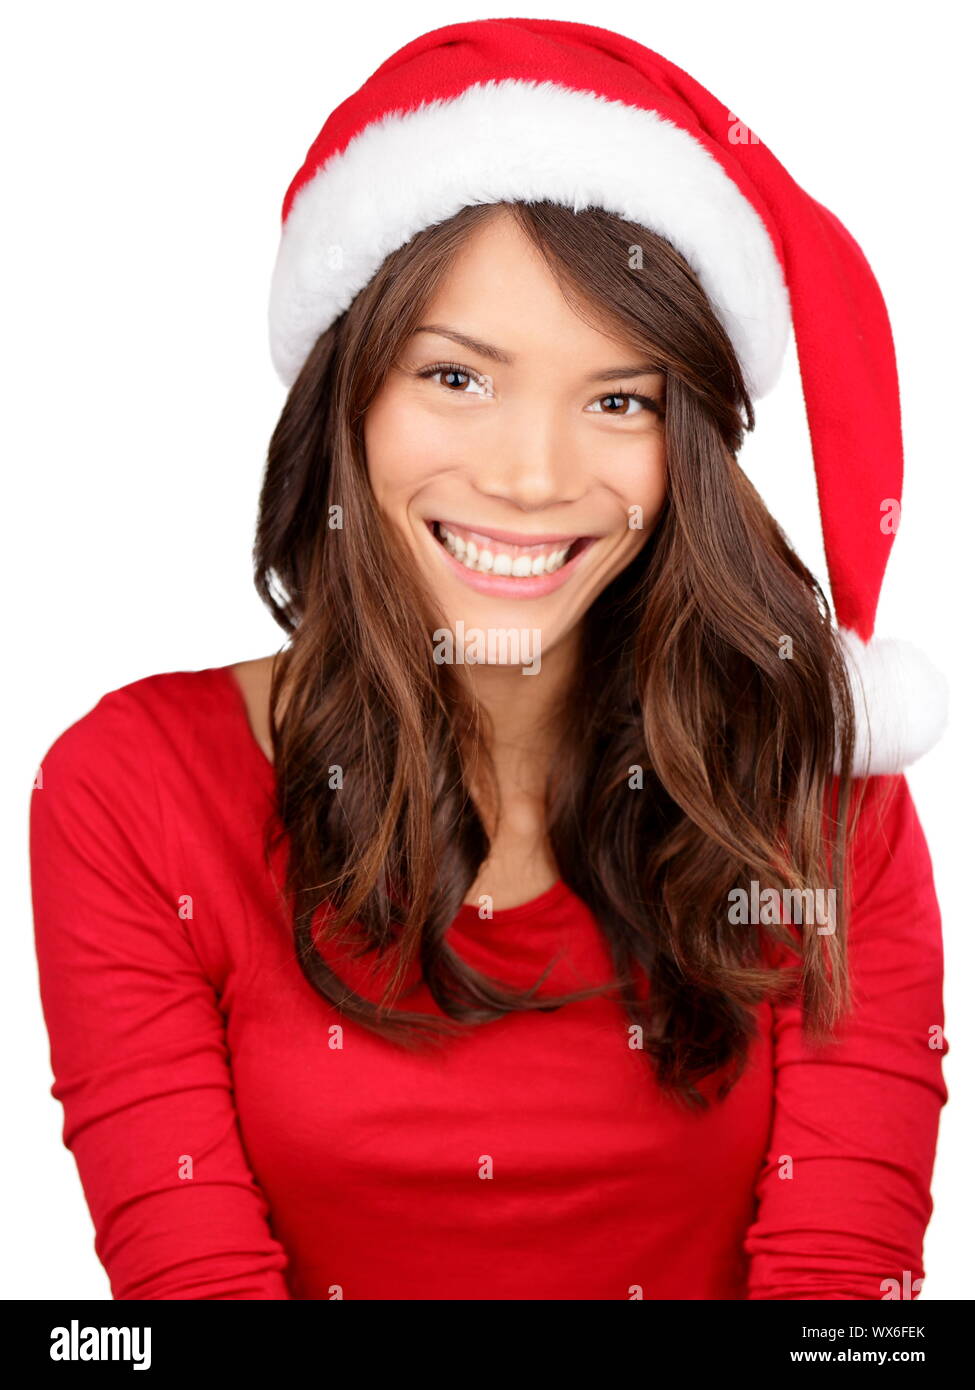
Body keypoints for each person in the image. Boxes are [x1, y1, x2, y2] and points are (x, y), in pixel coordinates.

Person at [29, 18, 949, 1301]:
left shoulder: (820, 805)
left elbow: (845, 1310)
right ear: (347, 401)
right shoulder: (132, 792)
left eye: (619, 399)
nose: (531, 478)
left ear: (686, 449)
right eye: (459, 377)